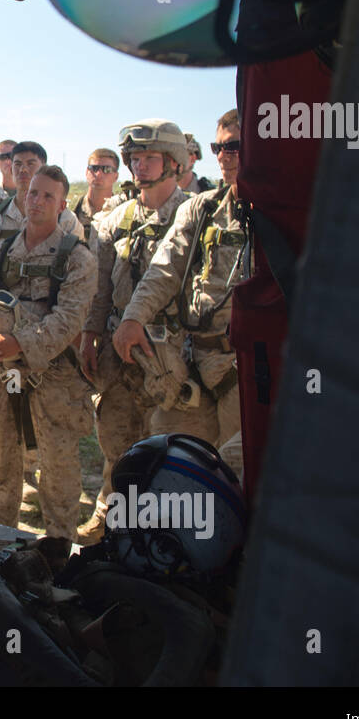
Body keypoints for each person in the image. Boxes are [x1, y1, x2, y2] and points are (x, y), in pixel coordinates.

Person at [0, 166, 97, 539]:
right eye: (32, 193)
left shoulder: (77, 258)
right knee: (5, 455)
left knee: (58, 466)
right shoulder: (2, 251)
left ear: (62, 205)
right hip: (6, 378)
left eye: (47, 196)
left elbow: (68, 320)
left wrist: (18, 344)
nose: (36, 201)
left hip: (55, 381)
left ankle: (58, 545)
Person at [113, 109, 249, 481]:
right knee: (175, 471)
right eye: (218, 147)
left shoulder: (281, 214)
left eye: (234, 147)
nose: (224, 156)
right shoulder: (201, 209)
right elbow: (164, 270)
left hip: (246, 368)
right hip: (190, 368)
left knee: (239, 478)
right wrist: (133, 317)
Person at [79, 120, 191, 543]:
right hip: (119, 355)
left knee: (165, 451)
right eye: (136, 159)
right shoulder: (114, 220)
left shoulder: (192, 216)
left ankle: (156, 536)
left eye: (151, 158)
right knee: (116, 441)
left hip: (172, 359)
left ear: (174, 163)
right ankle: (108, 515)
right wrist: (90, 336)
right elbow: (100, 287)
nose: (140, 167)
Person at [0, 140, 80, 254]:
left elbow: (80, 262)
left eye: (30, 164)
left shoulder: (66, 220)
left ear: (43, 167)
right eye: (17, 164)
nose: (23, 170)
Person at [73, 147, 121, 243]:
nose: (99, 174)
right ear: (87, 172)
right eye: (94, 168)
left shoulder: (122, 212)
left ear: (116, 176)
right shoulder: (72, 210)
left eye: (107, 169)